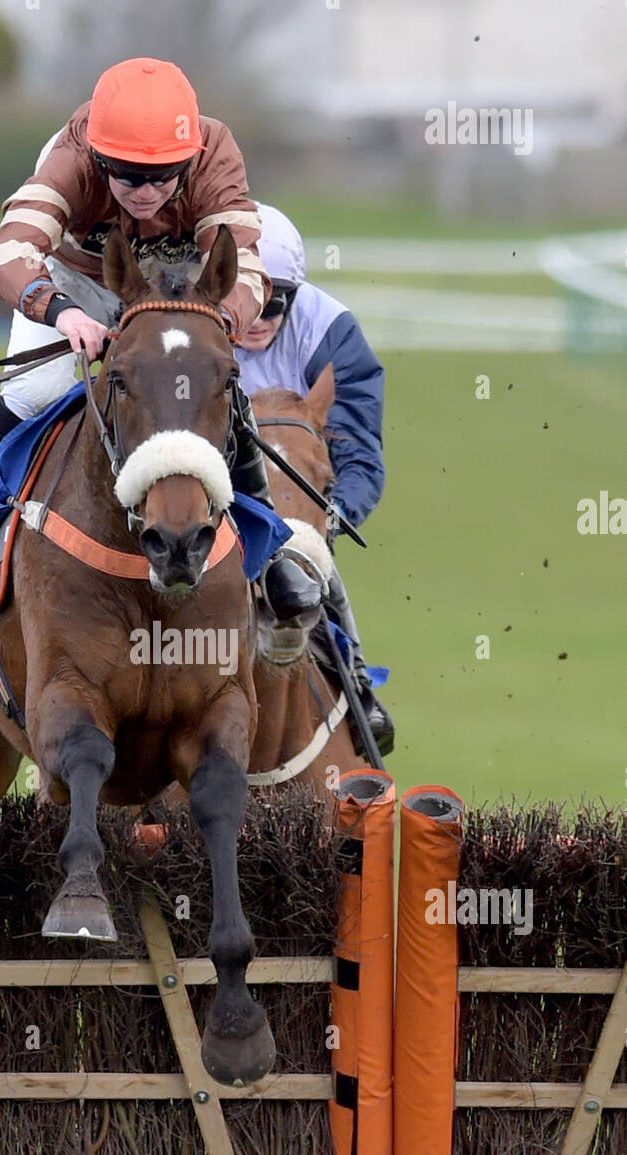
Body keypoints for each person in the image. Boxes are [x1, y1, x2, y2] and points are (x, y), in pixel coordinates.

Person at [0, 58, 320, 626]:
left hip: (176, 294)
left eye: (163, 177)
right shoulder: (71, 158)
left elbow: (248, 267)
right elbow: (9, 253)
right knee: (32, 394)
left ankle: (273, 557)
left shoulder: (215, 152)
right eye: (128, 176)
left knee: (213, 397)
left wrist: (221, 322)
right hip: (76, 285)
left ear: (189, 160)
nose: (146, 191)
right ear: (99, 159)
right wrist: (61, 313)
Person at [235, 203, 394, 753]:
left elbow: (360, 456)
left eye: (273, 302)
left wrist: (330, 519)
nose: (257, 319)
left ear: (295, 293)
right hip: (209, 495)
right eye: (246, 299)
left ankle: (356, 690)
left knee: (315, 571)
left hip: (298, 505)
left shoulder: (332, 334)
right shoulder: (190, 326)